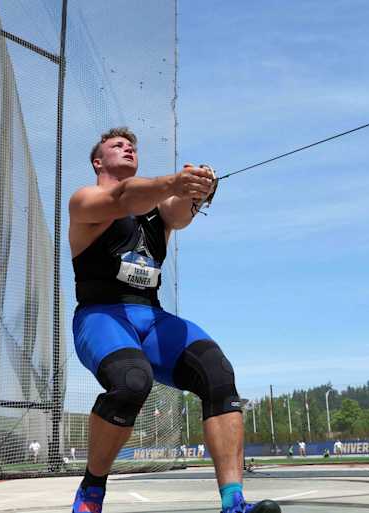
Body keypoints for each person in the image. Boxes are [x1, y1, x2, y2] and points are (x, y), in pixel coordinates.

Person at [68, 128, 280, 513]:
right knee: (132, 382)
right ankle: (91, 492)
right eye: (116, 146)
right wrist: (174, 182)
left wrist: (196, 189)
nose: (127, 147)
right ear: (98, 162)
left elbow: (178, 213)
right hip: (101, 316)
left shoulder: (156, 211)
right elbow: (122, 197)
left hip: (152, 319)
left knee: (217, 375)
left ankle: (234, 503)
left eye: (131, 145)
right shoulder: (86, 201)